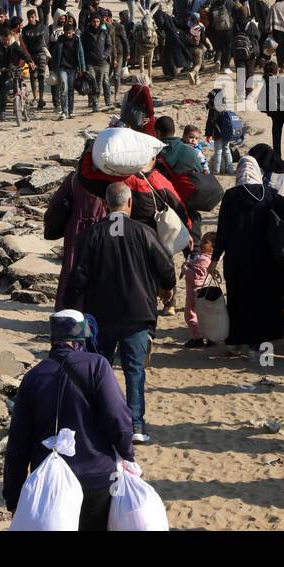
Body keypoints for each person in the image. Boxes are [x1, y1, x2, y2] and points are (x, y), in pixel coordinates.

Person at [63, 183, 176, 444]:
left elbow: (77, 277)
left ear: (105, 204)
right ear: (129, 204)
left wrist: (71, 312)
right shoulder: (144, 232)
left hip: (100, 315)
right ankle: (135, 426)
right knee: (134, 371)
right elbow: (166, 268)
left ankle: (97, 422)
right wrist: (166, 290)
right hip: (137, 313)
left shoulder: (91, 235)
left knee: (99, 370)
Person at [3, 309, 135, 530]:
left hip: (49, 485)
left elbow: (17, 443)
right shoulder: (97, 365)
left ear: (53, 339)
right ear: (82, 337)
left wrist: (13, 496)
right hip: (97, 479)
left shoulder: (33, 377)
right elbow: (118, 419)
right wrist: (127, 453)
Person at [211, 157, 284, 359]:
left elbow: (223, 231)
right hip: (265, 259)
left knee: (239, 299)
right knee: (263, 300)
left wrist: (214, 259)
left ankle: (238, 341)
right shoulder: (271, 195)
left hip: (237, 259)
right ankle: (257, 347)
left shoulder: (231, 196)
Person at [45, 141, 109, 308]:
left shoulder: (74, 177)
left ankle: (66, 309)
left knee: (71, 269)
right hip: (101, 228)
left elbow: (56, 202)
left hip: (76, 228)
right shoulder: (107, 178)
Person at [256, 60, 284, 160]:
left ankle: (277, 163)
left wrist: (271, 111)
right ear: (277, 71)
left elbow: (260, 104)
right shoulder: (282, 81)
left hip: (276, 115)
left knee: (276, 140)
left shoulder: (266, 84)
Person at [182, 232, 217, 348]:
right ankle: (211, 338)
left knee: (190, 315)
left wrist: (185, 269)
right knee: (206, 316)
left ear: (212, 247)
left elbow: (196, 278)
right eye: (202, 240)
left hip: (195, 292)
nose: (201, 243)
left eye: (205, 242)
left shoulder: (203, 259)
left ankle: (197, 338)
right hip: (205, 292)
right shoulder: (208, 259)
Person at [50, 16, 85, 121]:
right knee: (63, 89)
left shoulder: (77, 40)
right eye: (66, 33)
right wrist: (53, 67)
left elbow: (81, 54)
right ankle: (64, 111)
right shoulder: (60, 40)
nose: (68, 34)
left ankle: (71, 111)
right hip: (62, 68)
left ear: (73, 32)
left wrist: (82, 68)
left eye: (70, 33)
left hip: (73, 68)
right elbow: (55, 54)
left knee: (70, 89)